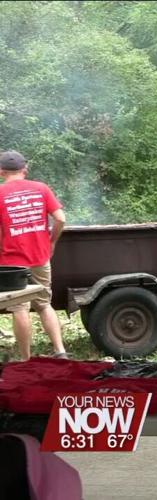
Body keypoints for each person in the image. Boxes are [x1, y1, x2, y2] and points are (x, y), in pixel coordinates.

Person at [0, 151, 67, 361]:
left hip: (12, 262)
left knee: (20, 307)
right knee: (44, 303)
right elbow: (61, 219)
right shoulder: (41, 188)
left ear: (1, 172)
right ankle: (60, 351)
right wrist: (52, 242)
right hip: (40, 256)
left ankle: (26, 359)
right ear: (25, 170)